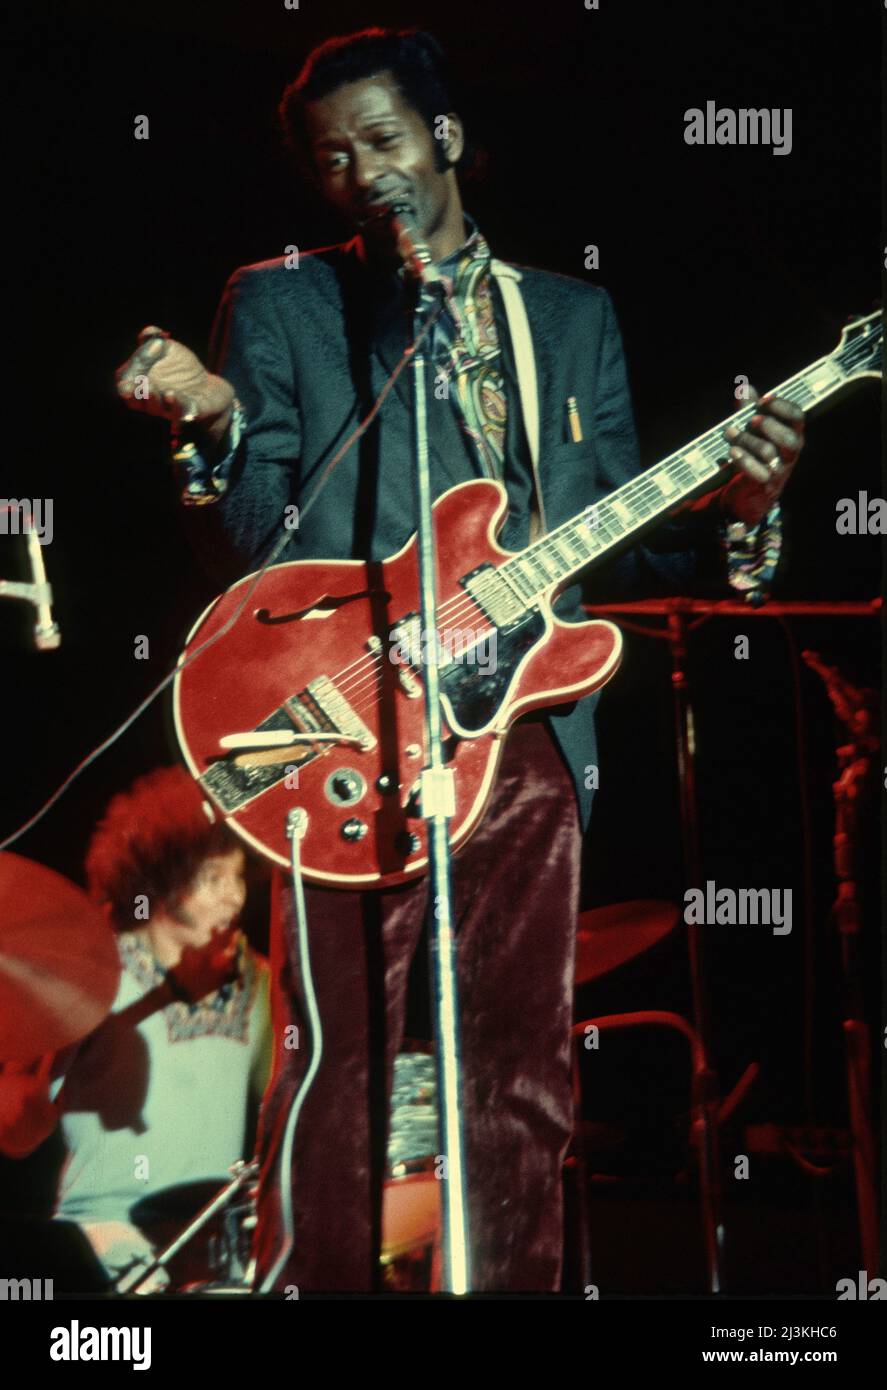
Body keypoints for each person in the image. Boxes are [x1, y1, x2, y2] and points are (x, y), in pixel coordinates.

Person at [114, 28, 804, 1291]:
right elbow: (251, 543)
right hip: (343, 721)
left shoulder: (570, 315)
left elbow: (609, 543)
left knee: (519, 1064)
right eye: (332, 158)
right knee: (340, 1060)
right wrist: (213, 427)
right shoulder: (285, 301)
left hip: (522, 741)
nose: (361, 170)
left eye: (381, 139)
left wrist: (738, 511)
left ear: (441, 139)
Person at [0, 767, 272, 1290]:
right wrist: (26, 1099)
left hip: (215, 1241)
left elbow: (280, 1118)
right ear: (159, 883)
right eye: (214, 879)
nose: (235, 897)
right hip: (103, 1235)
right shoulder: (91, 970)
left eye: (238, 877)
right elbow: (16, 1134)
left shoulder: (258, 979)